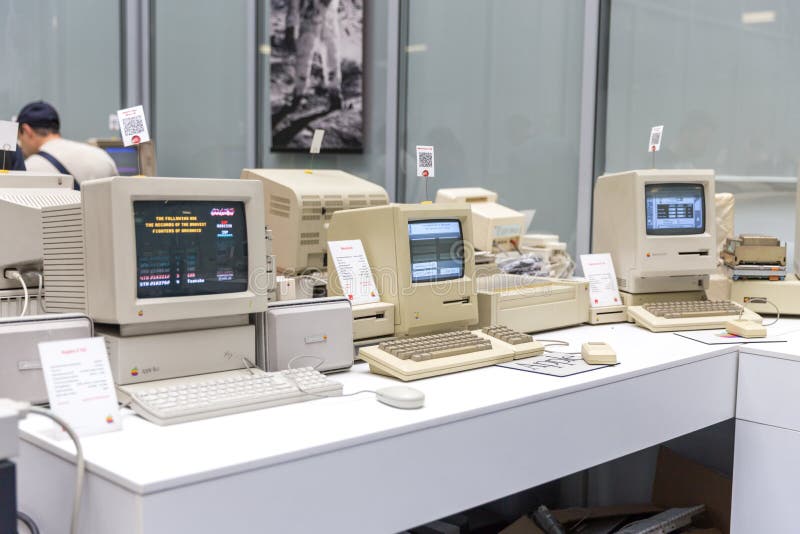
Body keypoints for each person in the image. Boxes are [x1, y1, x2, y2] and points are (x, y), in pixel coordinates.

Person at [16, 101, 117, 188]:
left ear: (26, 130)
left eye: (19, 137)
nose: (20, 144)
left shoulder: (29, 170)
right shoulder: (101, 156)